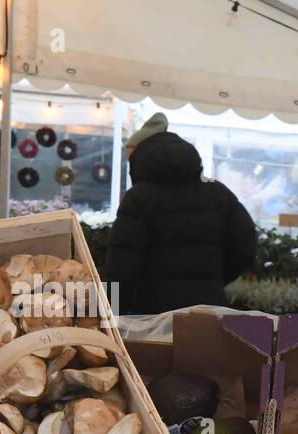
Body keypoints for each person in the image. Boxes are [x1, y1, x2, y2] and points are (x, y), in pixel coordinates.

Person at [104, 112, 256, 315]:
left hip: (152, 315)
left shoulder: (139, 198)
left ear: (143, 157)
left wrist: (111, 315)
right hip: (208, 313)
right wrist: (212, 279)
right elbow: (245, 245)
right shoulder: (217, 191)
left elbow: (121, 269)